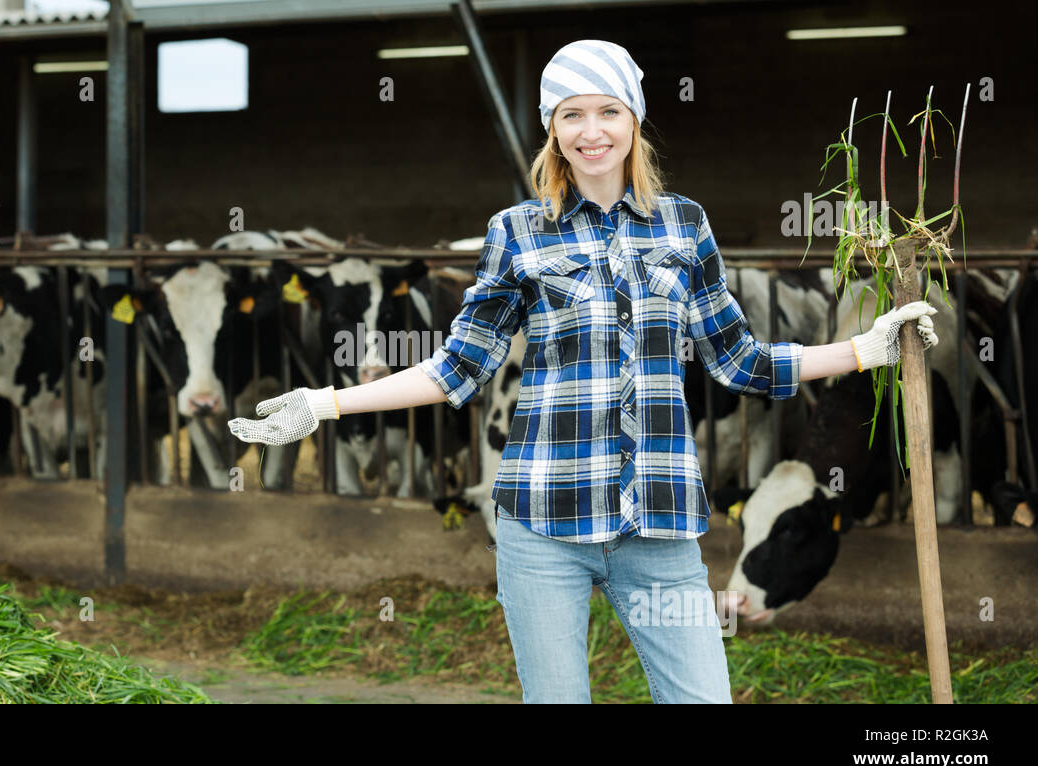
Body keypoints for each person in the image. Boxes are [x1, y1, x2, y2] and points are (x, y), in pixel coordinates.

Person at [227, 39, 938, 703]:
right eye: (571, 114)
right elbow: (455, 370)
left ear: (634, 118)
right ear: (552, 128)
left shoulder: (684, 225)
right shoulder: (517, 232)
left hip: (659, 528)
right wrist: (323, 404)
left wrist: (863, 350)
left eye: (608, 110)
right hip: (543, 529)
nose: (591, 130)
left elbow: (740, 360)